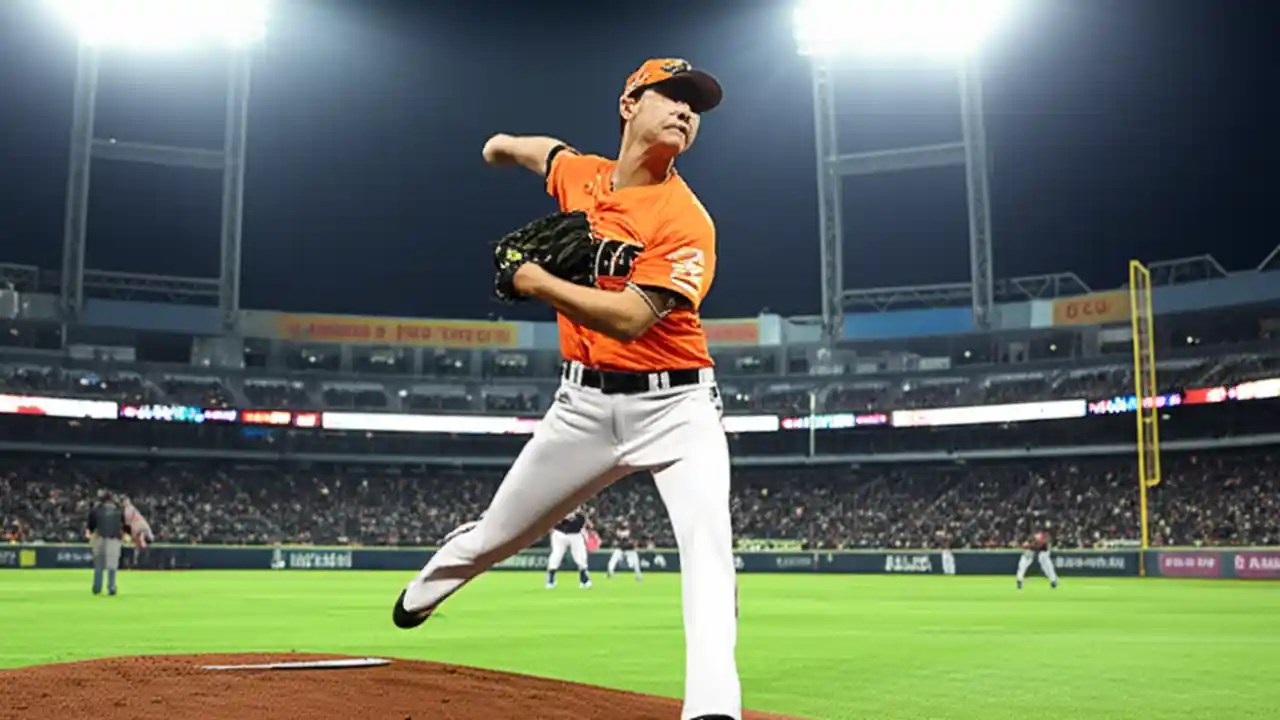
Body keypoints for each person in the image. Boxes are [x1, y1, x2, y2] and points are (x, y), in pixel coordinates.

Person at [393, 58, 739, 720]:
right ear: (628, 104)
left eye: (695, 106)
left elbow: (633, 319)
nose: (687, 111)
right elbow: (544, 153)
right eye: (672, 95)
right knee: (498, 533)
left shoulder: (686, 220)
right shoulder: (581, 176)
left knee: (707, 544)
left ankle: (712, 708)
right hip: (581, 408)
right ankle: (423, 592)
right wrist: (498, 146)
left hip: (677, 409)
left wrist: (534, 281)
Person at [86, 490, 124, 596]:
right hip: (113, 539)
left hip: (98, 538)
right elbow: (123, 525)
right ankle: (111, 587)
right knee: (112, 565)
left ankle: (97, 587)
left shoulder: (95, 510)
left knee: (99, 565)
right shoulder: (118, 510)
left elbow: (90, 526)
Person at [546, 508, 592, 589]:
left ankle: (584, 579)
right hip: (560, 534)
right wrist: (564, 518)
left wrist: (571, 518)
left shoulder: (580, 516)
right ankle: (551, 579)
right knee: (557, 554)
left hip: (575, 535)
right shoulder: (559, 512)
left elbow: (578, 526)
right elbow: (554, 524)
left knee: (580, 556)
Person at [607, 517, 643, 582]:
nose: (625, 523)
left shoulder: (632, 528)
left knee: (635, 563)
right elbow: (618, 536)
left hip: (629, 548)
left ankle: (638, 576)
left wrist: (632, 542)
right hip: (622, 547)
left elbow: (634, 539)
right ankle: (610, 572)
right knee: (613, 559)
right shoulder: (619, 530)